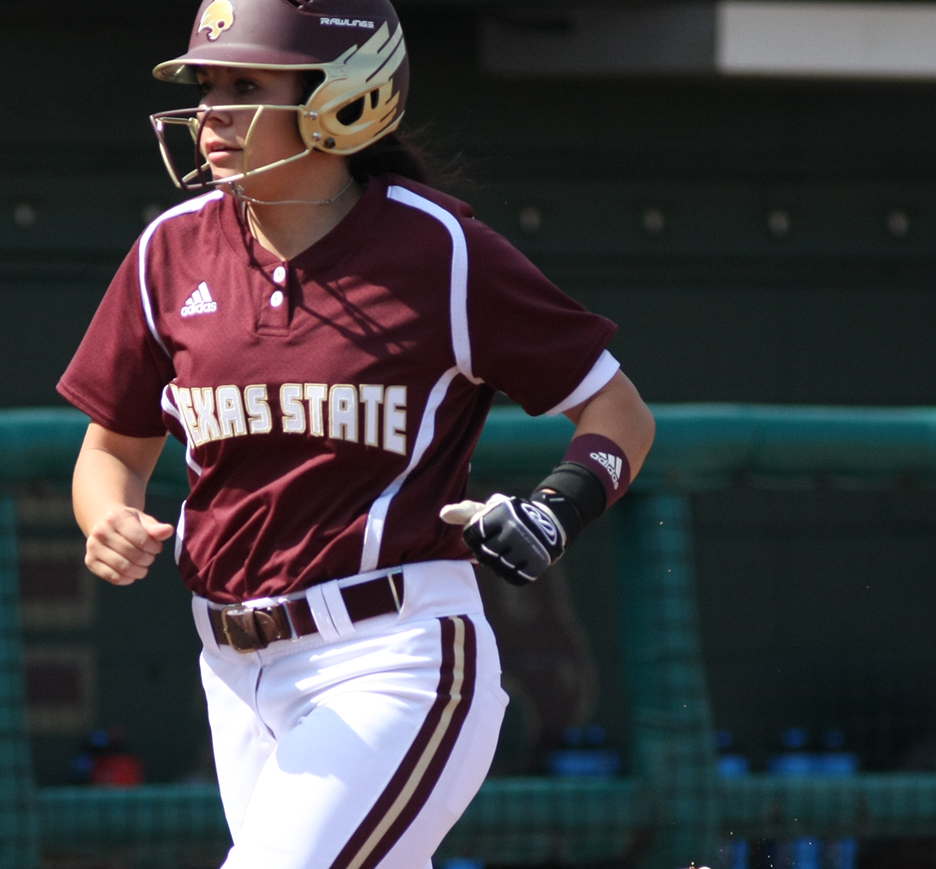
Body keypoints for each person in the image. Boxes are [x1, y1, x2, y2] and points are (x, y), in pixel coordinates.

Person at [57, 0, 656, 866]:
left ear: (343, 97)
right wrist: (103, 514)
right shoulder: (168, 252)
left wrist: (557, 507)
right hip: (232, 668)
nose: (211, 112)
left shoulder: (441, 251)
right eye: (208, 85)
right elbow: (110, 450)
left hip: (394, 654)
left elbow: (619, 412)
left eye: (247, 85)